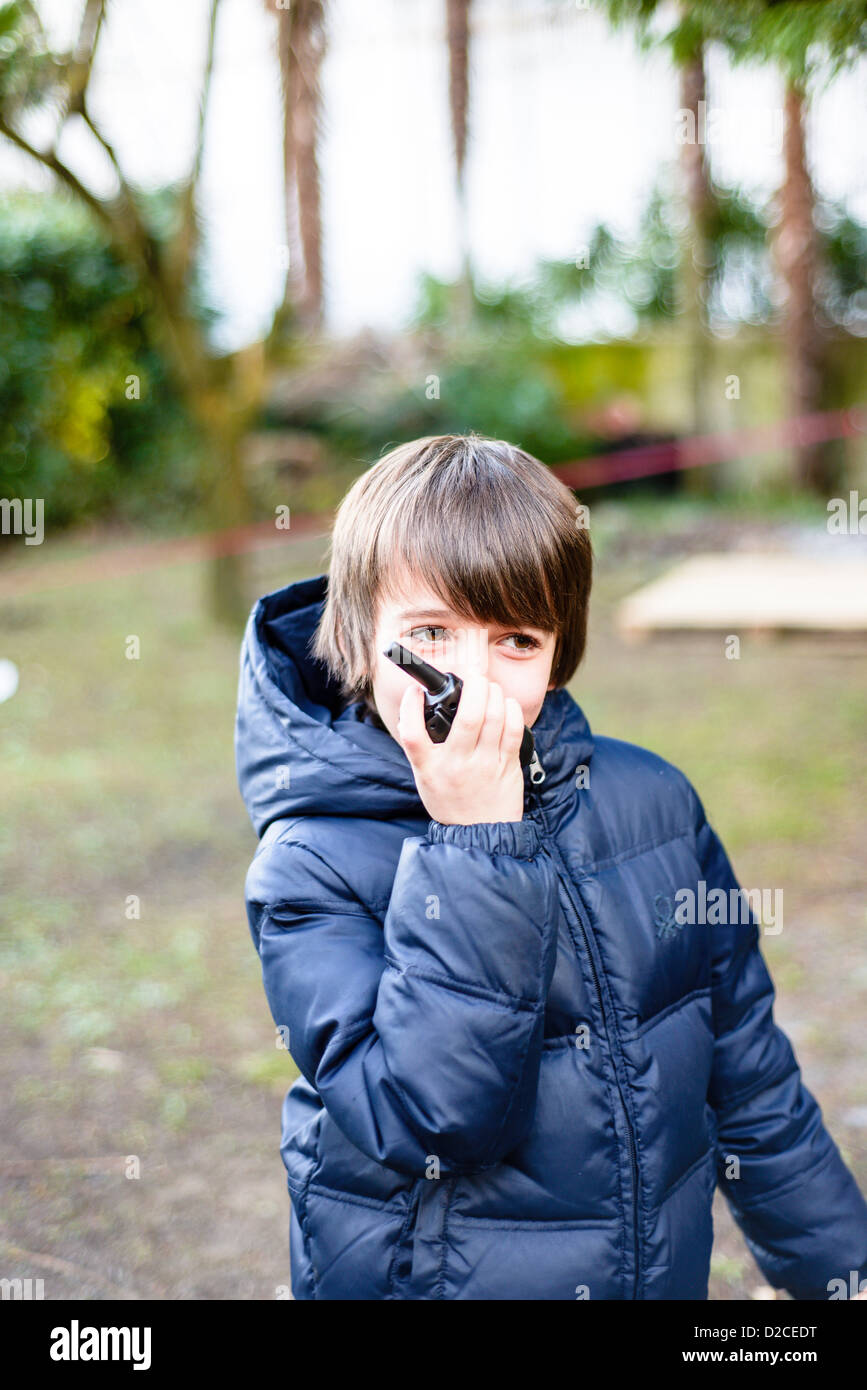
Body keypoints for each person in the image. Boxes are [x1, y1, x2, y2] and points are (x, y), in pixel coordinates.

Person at [234, 432, 867, 1300]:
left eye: (516, 641)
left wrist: (843, 1273)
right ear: (356, 632)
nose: (472, 682)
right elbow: (429, 1125)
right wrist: (473, 843)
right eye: (428, 634)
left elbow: (750, 1081)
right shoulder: (311, 863)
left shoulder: (655, 805)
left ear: (559, 648)